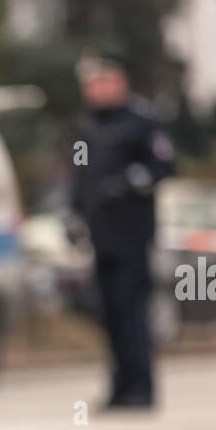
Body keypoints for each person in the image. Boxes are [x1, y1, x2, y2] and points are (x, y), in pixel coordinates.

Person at [71, 49, 175, 409]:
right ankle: (119, 387)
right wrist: (74, 214)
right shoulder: (86, 127)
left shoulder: (141, 122)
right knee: (110, 314)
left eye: (103, 81)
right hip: (101, 237)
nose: (95, 90)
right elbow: (80, 177)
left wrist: (131, 183)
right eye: (90, 83)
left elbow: (164, 165)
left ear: (120, 82)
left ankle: (141, 388)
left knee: (133, 313)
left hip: (133, 236)